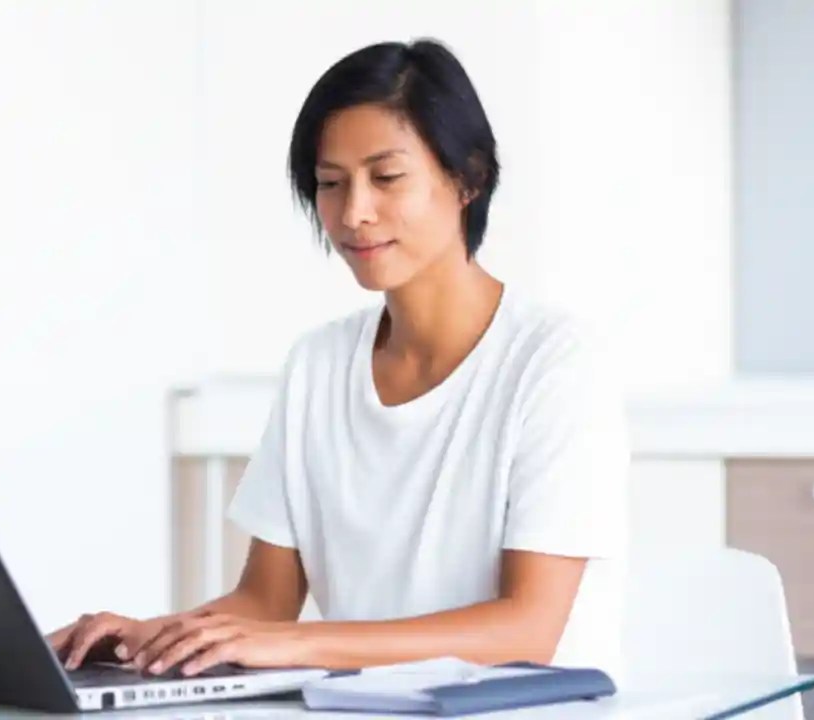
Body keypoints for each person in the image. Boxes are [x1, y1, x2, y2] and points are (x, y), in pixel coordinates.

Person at [48, 38, 629, 682]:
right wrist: (142, 639)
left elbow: (527, 629)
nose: (354, 213)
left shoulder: (555, 362)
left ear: (468, 177)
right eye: (330, 184)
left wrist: (301, 644)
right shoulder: (318, 365)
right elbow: (265, 605)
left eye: (386, 178)